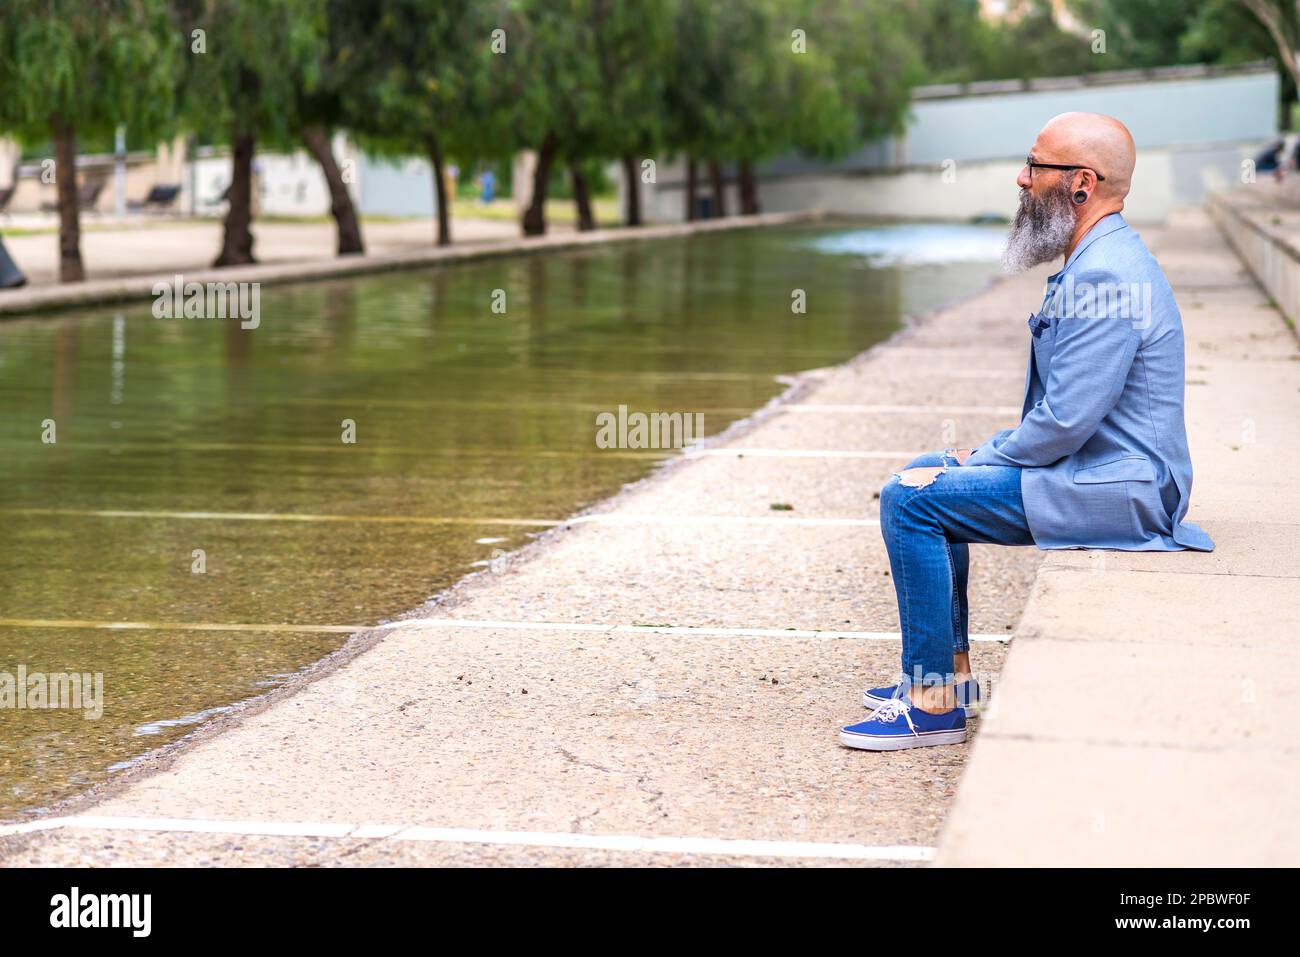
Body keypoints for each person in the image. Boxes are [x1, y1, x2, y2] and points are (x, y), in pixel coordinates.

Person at [841, 112, 1214, 752]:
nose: (1021, 178)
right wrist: (969, 458)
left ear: (1081, 185)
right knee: (930, 468)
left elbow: (1067, 421)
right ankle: (950, 681)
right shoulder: (1105, 253)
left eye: (1034, 166)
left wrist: (981, 456)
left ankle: (931, 706)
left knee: (911, 499)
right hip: (1106, 470)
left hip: (1122, 488)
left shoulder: (1106, 275)